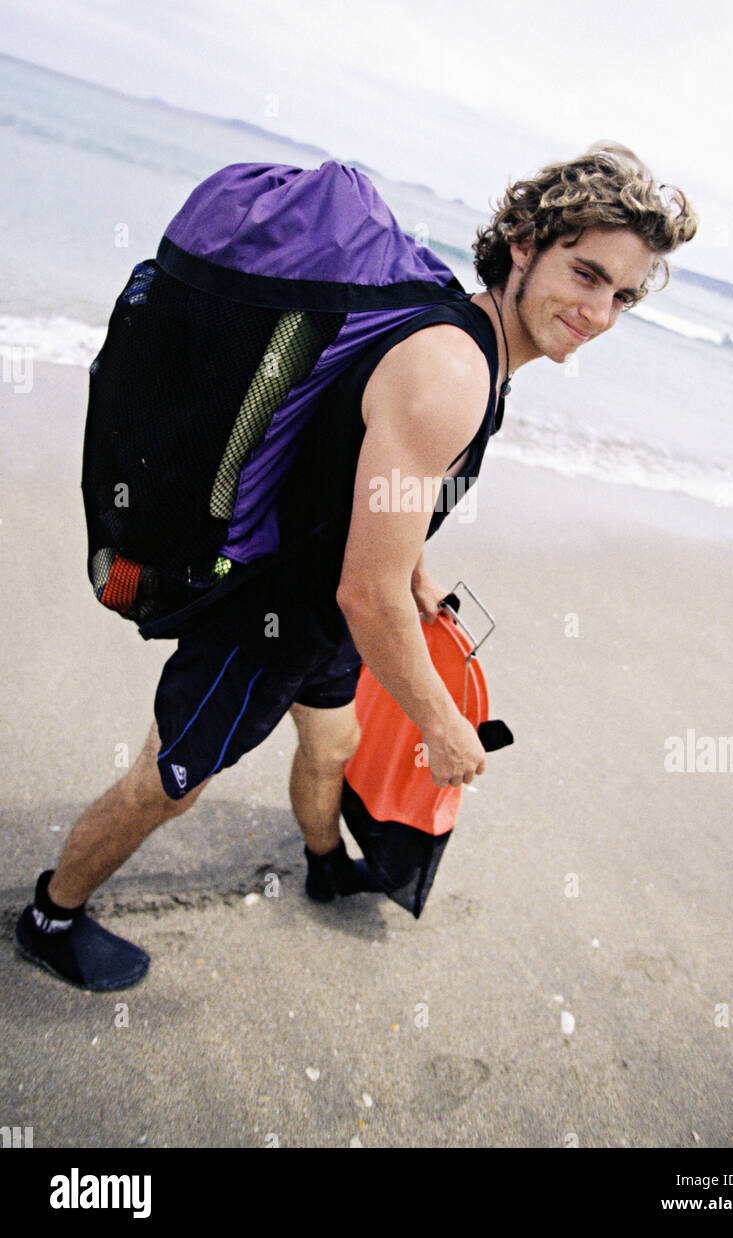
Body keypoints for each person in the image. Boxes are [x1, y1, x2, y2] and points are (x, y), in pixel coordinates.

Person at [15, 141, 696, 990]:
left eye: (623, 297)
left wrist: (413, 574)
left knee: (332, 739)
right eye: (587, 275)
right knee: (171, 778)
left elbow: (361, 491)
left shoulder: (470, 340)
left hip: (323, 613)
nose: (599, 313)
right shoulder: (454, 371)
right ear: (523, 242)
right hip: (269, 615)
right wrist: (444, 726)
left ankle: (325, 861)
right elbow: (363, 594)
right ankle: (52, 913)